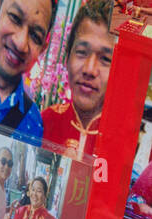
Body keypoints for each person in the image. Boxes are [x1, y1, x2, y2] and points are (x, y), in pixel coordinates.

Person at [0, 0, 56, 139]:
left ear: (42, 49)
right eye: (15, 18)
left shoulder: (33, 124)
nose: (20, 43)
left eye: (35, 36)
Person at [42, 1, 113, 158]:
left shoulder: (120, 140)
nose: (89, 69)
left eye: (106, 59)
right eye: (81, 52)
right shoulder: (45, 122)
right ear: (67, 57)